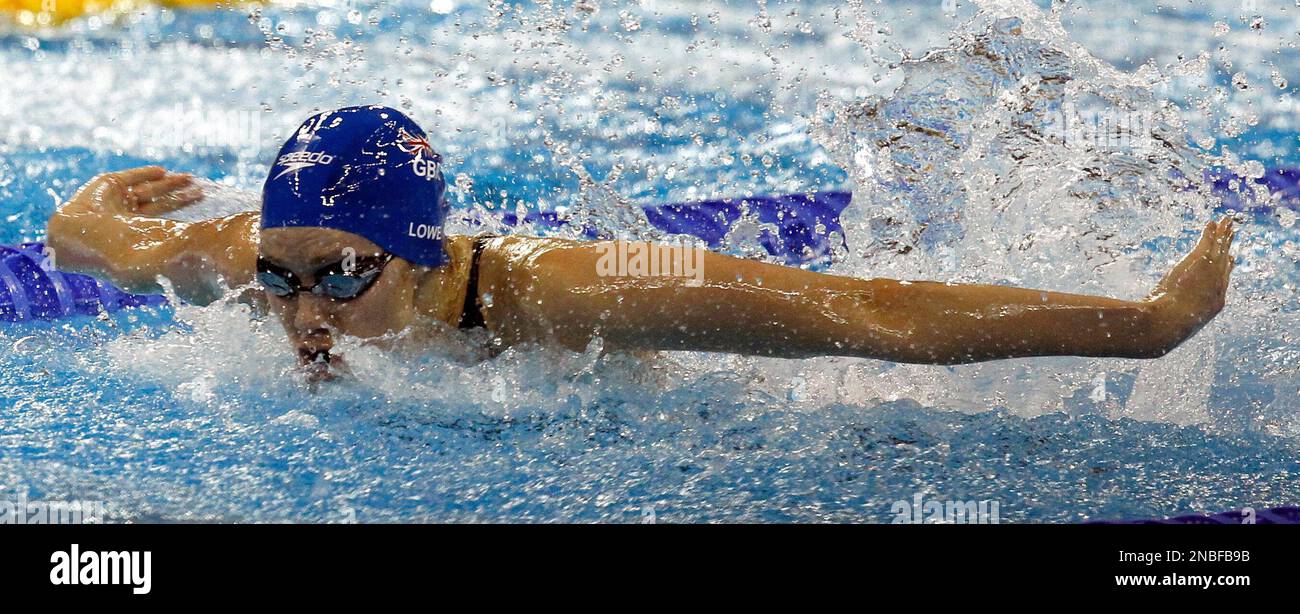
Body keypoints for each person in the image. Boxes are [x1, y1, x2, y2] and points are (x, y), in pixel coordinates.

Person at [46, 105, 1236, 378]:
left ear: (417, 250)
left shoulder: (572, 288)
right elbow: (85, 240)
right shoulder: (266, 257)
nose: (303, 311)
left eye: (342, 276)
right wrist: (103, 202)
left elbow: (870, 313)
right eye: (280, 277)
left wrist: (1150, 323)